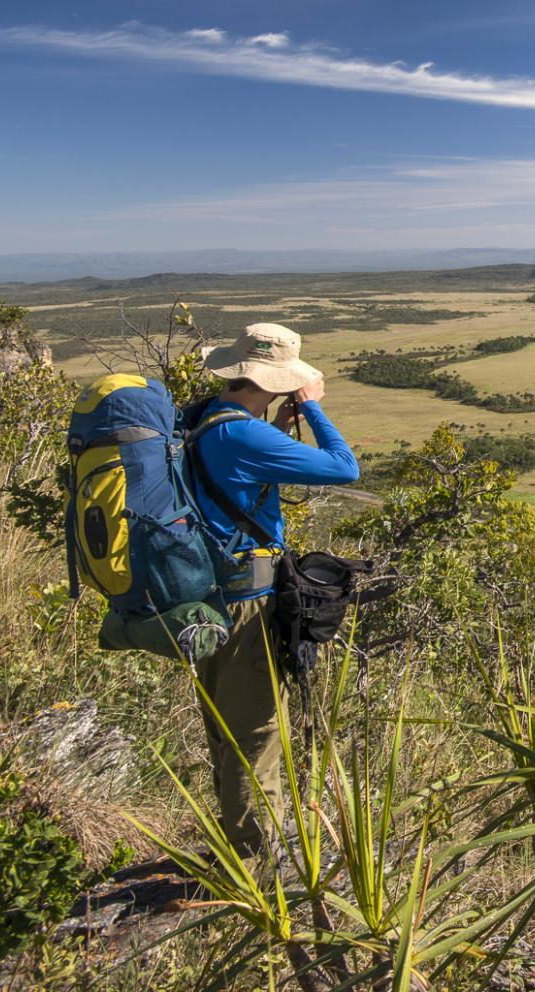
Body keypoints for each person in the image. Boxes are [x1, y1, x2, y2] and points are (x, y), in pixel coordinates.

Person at [186, 322, 359, 855]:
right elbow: (344, 468)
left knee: (227, 726)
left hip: (208, 599)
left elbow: (231, 483)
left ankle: (242, 838)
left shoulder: (204, 418)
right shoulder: (242, 432)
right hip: (245, 605)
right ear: (277, 378)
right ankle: (258, 859)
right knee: (255, 733)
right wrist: (310, 410)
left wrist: (277, 429)